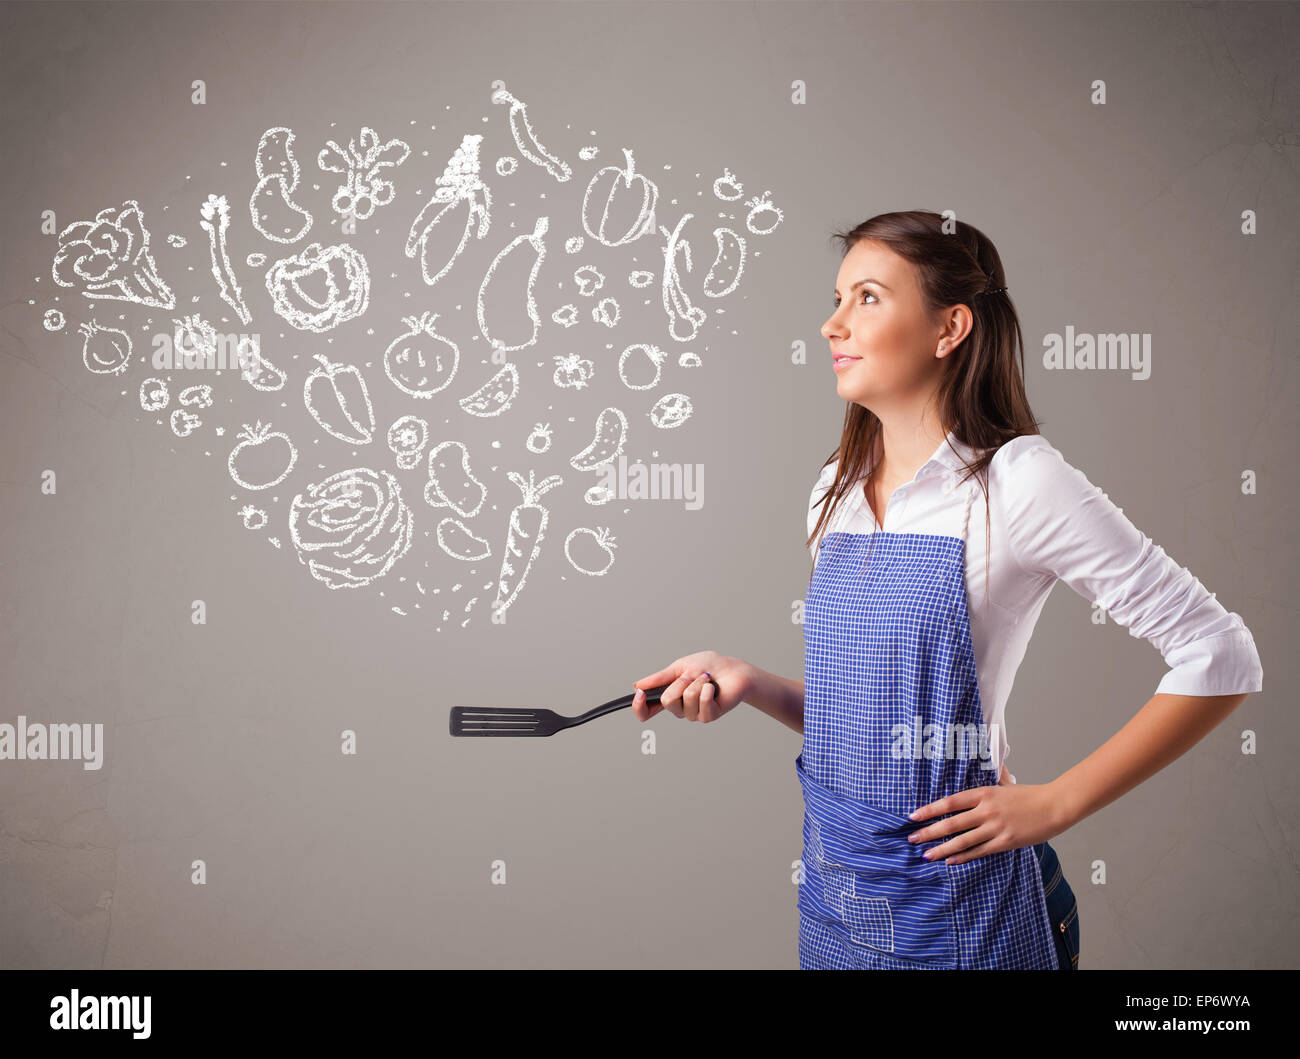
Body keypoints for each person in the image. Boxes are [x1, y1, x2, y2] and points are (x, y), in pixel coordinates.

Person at [630, 210, 1263, 970]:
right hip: (841, 900)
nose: (833, 324)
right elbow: (875, 726)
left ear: (949, 327)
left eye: (867, 297)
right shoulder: (834, 490)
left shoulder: (1019, 482)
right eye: (836, 298)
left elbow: (1220, 653)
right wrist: (750, 682)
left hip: (969, 913)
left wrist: (1059, 801)